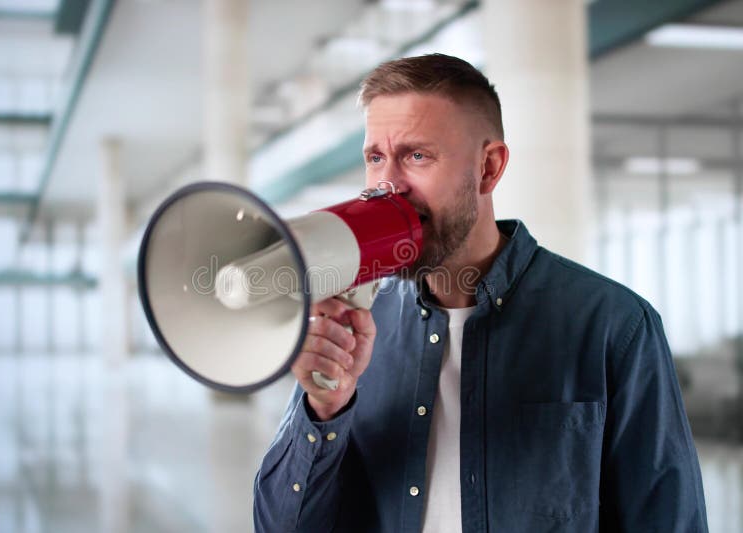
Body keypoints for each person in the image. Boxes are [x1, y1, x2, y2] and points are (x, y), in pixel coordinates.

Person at [252, 53, 708, 532]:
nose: (388, 186)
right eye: (375, 158)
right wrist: (326, 409)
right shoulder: (358, 325)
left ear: (488, 168)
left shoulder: (613, 325)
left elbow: (669, 520)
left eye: (417, 156)